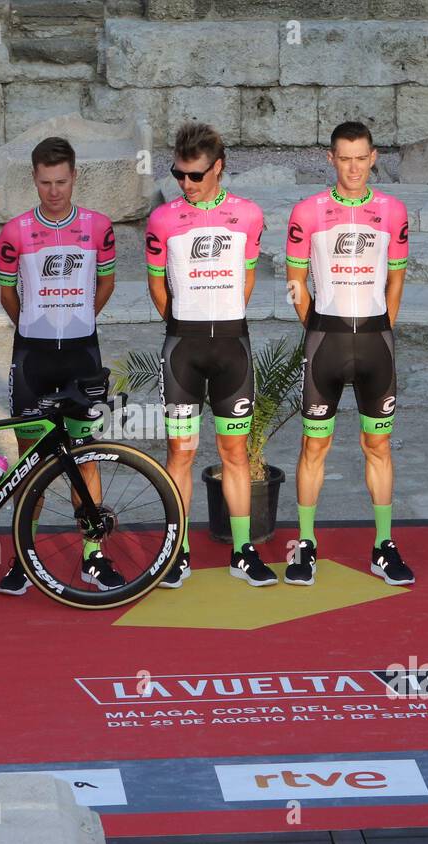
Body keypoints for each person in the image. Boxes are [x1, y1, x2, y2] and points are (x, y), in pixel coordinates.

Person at [145, 122, 278, 588]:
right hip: (183, 347)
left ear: (218, 167)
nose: (185, 184)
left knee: (234, 454)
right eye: (179, 174)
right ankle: (176, 552)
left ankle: (243, 551)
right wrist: (184, 325)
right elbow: (158, 286)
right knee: (180, 452)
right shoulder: (162, 219)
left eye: (195, 175)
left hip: (231, 347)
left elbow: (247, 278)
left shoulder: (248, 214)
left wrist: (223, 319)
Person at [284, 121, 413, 587]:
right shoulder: (308, 211)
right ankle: (305, 545)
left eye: (361, 158)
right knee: (313, 446)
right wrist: (318, 328)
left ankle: (383, 546)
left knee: (377, 446)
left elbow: (396, 280)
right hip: (326, 342)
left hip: (376, 342)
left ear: (373, 157)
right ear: (331, 159)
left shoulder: (393, 210)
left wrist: (383, 326)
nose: (354, 167)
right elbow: (296, 282)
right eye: (345, 158)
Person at [0, 137, 124, 595]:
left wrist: (80, 320)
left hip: (82, 355)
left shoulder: (99, 226)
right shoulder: (13, 232)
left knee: (86, 457)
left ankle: (93, 557)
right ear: (33, 178)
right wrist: (34, 327)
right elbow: (9, 295)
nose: (54, 191)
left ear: (74, 177)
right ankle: (22, 558)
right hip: (32, 356)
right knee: (30, 466)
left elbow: (104, 283)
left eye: (61, 182)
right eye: (45, 182)